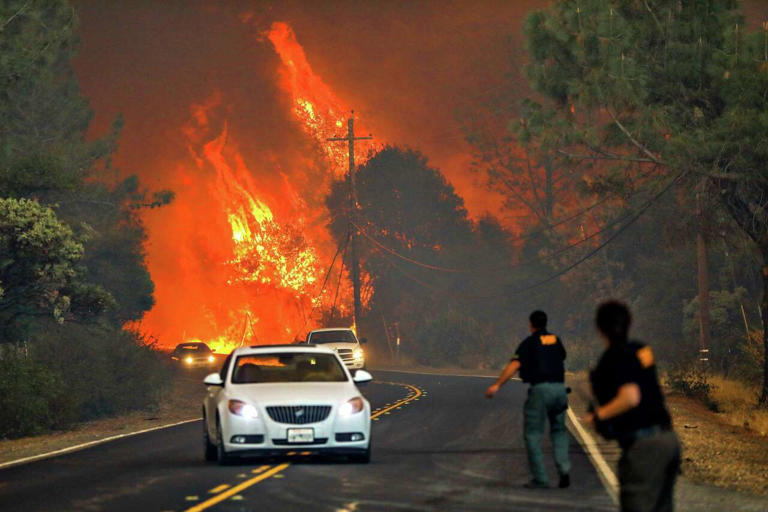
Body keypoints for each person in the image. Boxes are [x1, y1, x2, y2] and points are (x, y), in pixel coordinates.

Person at [586, 301, 680, 512]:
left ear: (600, 327)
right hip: (668, 439)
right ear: (629, 322)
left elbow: (630, 397)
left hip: (643, 445)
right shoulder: (642, 350)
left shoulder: (612, 357)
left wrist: (599, 415)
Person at [486, 310, 570, 489]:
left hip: (540, 390)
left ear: (531, 324)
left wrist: (497, 385)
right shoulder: (556, 339)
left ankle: (541, 478)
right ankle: (564, 469)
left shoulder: (529, 343)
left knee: (533, 434)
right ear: (546, 323)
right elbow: (562, 356)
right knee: (559, 431)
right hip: (560, 389)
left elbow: (515, 365)